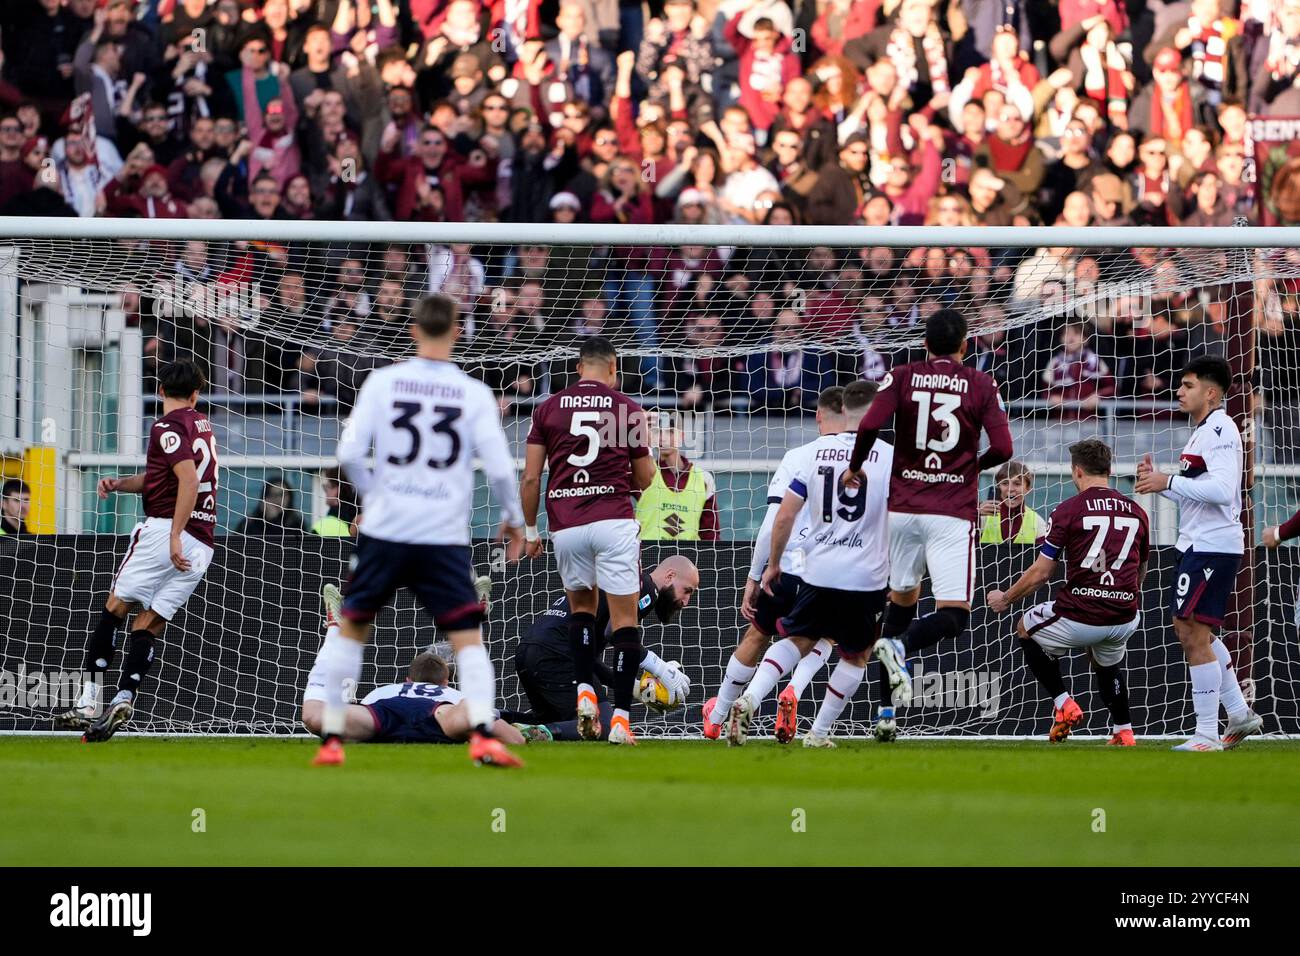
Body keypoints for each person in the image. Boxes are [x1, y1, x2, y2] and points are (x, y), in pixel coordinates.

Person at [329, 293, 526, 769]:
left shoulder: (383, 381)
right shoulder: (474, 393)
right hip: (442, 532)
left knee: (353, 627)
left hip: (388, 528)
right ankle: (481, 738)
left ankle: (333, 741)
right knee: (467, 638)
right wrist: (516, 520)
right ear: (458, 331)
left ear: (413, 329)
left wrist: (376, 497)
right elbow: (500, 469)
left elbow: (350, 455)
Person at [845, 308, 1014, 742]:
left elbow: (867, 423)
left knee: (899, 609)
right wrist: (971, 467)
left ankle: (885, 714)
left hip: (902, 511)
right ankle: (900, 650)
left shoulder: (901, 375)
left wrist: (855, 466)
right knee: (954, 615)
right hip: (951, 512)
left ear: (924, 343)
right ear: (965, 346)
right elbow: (1005, 447)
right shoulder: (980, 382)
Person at [55, 361, 218, 741]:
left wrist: (174, 535)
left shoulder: (165, 426)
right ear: (196, 394)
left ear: (160, 391)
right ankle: (124, 695)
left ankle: (88, 700)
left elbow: (188, 481)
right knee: (150, 622)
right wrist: (120, 484)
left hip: (168, 531)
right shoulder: (202, 426)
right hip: (204, 542)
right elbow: (163, 476)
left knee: (116, 607)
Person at [731, 380, 893, 747]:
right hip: (865, 574)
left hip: (817, 570)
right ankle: (817, 733)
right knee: (857, 653)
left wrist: (772, 565)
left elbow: (784, 516)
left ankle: (751, 698)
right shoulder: (889, 456)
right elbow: (899, 519)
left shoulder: (815, 455)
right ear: (875, 413)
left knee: (797, 637)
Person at [520, 335, 656, 744]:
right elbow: (647, 477)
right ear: (614, 369)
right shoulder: (628, 409)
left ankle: (584, 694)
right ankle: (620, 722)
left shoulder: (547, 409)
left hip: (567, 525)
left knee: (582, 612)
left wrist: (530, 532)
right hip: (612, 519)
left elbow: (530, 477)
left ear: (579, 368)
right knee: (625, 623)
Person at [702, 385, 846, 741]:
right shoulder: (865, 460)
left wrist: (756, 574)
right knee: (822, 636)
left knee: (757, 634)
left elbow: (772, 523)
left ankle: (717, 716)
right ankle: (793, 690)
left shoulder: (797, 456)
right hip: (835, 568)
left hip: (790, 566)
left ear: (818, 416)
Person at [1134, 355, 1262, 751]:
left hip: (1213, 545)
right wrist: (1161, 485)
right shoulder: (1202, 431)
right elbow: (1198, 491)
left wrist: (1168, 479)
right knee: (1190, 630)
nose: (1179, 391)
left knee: (1193, 633)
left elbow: (1224, 491)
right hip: (1197, 543)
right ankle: (1238, 712)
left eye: (1187, 385)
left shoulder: (1221, 429)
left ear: (1210, 392)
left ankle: (1207, 733)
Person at [987, 440, 1148, 745]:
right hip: (1126, 616)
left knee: (1025, 627)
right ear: (1109, 471)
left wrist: (1006, 597)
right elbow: (1141, 569)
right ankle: (1124, 731)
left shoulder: (1068, 509)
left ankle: (1064, 704)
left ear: (1076, 471)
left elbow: (1042, 573)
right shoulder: (1136, 510)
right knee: (1106, 662)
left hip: (1082, 615)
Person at [302, 586, 524, 747]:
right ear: (445, 681)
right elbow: (515, 739)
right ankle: (472, 624)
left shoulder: (384, 690)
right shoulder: (451, 694)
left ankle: (335, 628)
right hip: (440, 715)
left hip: (382, 713)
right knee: (482, 719)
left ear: (407, 680)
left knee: (314, 717)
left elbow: (362, 707)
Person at [510, 556, 698, 740]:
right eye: (687, 591)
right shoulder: (645, 587)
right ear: (670, 576)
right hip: (556, 654)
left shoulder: (622, 582)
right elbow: (616, 632)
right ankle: (536, 734)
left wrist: (635, 689)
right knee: (606, 725)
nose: (686, 601)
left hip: (529, 650)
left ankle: (493, 718)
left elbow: (591, 662)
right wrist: (659, 667)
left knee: (555, 720)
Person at [635, 414, 720, 541]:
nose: (662, 438)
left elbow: (710, 533)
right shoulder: (644, 470)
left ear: (681, 436)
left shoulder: (704, 479)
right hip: (648, 555)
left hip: (689, 557)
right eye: (657, 432)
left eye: (670, 432)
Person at [979, 460, 1045, 544]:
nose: (1010, 489)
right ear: (998, 487)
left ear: (1028, 489)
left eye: (1017, 484)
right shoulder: (984, 517)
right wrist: (974, 515)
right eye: (1005, 483)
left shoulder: (1038, 523)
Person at [235, 477, 306, 536]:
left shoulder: (296, 524)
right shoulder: (249, 523)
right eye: (273, 495)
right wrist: (270, 520)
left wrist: (274, 521)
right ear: (265, 498)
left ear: (290, 497)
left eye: (282, 494)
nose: (278, 499)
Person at [310, 466, 356, 537]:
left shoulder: (323, 526)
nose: (325, 491)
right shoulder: (360, 521)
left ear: (338, 490)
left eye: (327, 486)